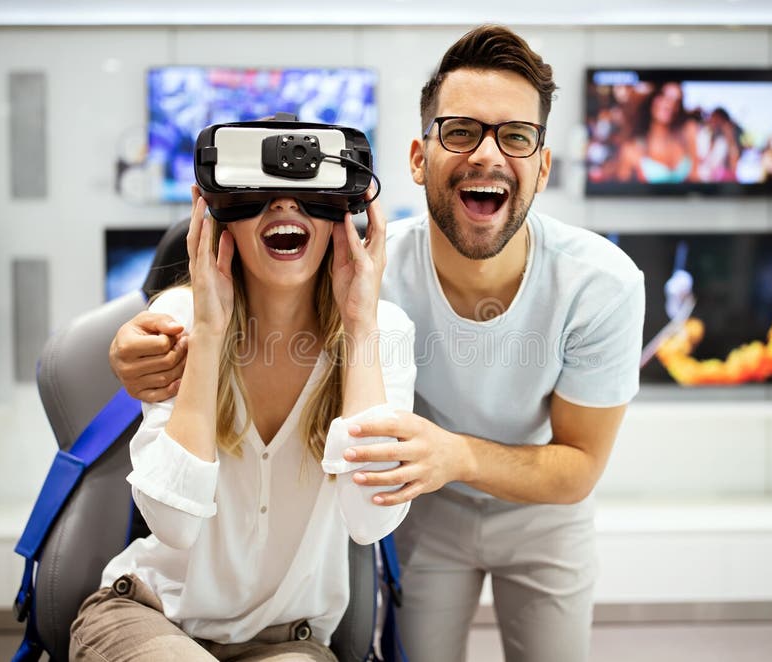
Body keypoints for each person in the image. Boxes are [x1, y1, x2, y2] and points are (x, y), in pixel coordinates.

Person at [109, 25, 645, 662]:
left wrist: (455, 454)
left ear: (543, 165)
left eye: (516, 136)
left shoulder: (599, 284)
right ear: (418, 159)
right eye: (461, 131)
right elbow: (226, 300)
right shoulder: (358, 272)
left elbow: (579, 465)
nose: (487, 155)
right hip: (426, 508)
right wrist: (132, 344)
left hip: (539, 509)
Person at [70, 177, 417, 661]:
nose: (285, 202)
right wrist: (208, 331)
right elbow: (174, 526)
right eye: (257, 185)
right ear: (220, 209)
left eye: (308, 184)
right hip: (152, 612)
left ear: (343, 210)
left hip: (289, 640)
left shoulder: (383, 330)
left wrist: (359, 325)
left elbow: (370, 520)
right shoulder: (181, 317)